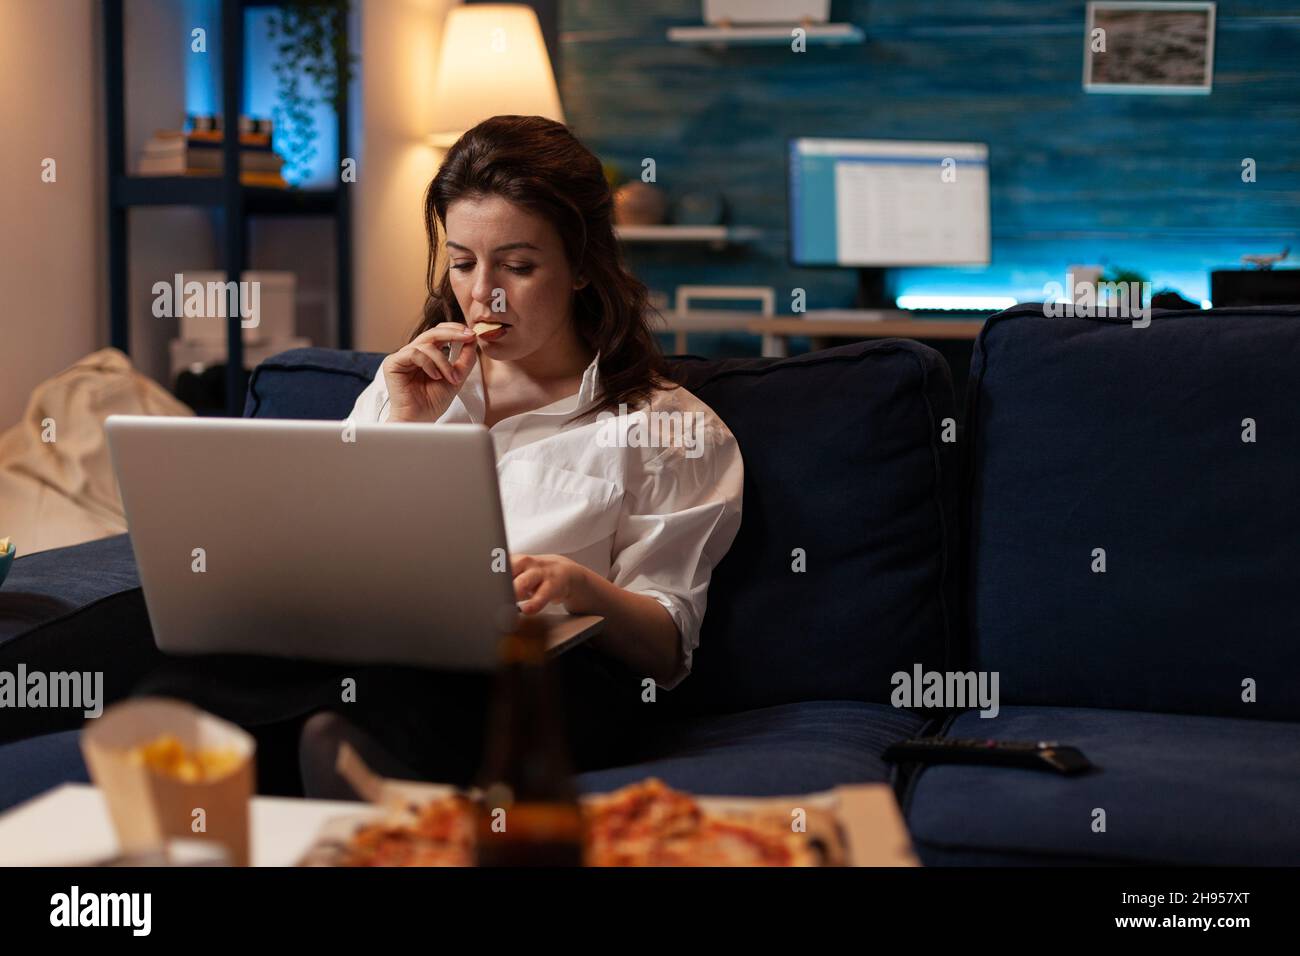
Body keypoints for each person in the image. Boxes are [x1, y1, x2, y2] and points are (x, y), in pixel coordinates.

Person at [133, 115, 744, 799]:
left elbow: (665, 650)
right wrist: (406, 428)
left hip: (546, 676)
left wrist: (578, 585)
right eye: (462, 263)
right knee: (173, 673)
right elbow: (337, 560)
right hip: (378, 649)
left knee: (430, 692)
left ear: (581, 267)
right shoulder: (403, 391)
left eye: (518, 266)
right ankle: (301, 764)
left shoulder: (670, 428)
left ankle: (341, 767)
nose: (484, 291)